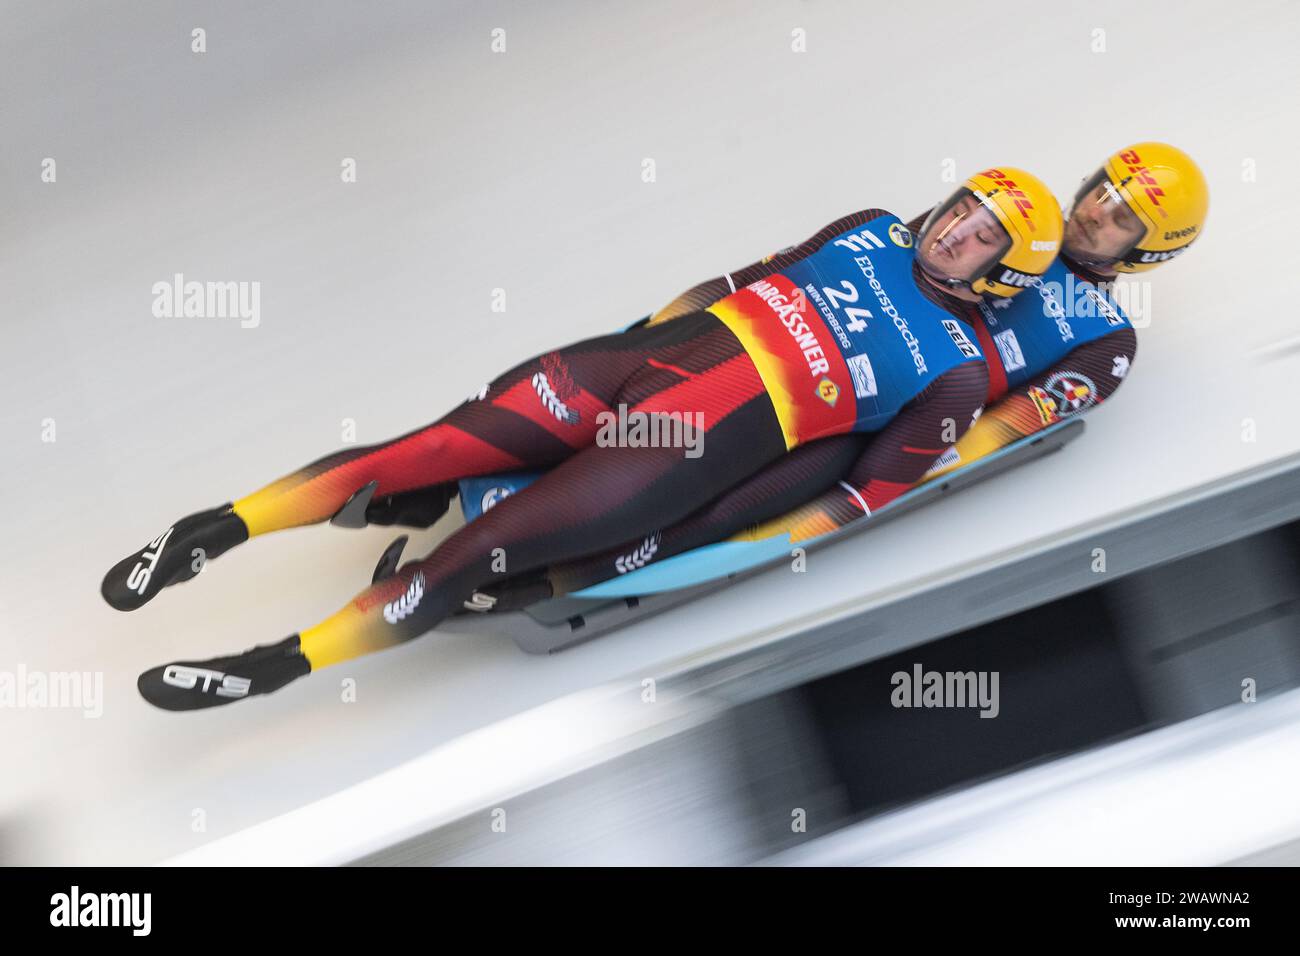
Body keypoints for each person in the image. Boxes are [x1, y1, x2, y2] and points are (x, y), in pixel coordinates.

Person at [105, 167, 1062, 710]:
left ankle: (279, 663)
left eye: (980, 239)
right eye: (960, 212)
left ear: (1000, 277)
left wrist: (731, 537)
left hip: (693, 445)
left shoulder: (961, 369)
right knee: (430, 446)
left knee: (480, 547)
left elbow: (869, 489)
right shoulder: (868, 229)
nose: (952, 235)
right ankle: (214, 528)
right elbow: (733, 282)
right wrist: (640, 337)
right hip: (638, 366)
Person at [491, 143, 1207, 601]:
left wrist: (909, 459)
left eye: (1119, 219)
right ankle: (507, 445)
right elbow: (888, 257)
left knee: (742, 491)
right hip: (815, 347)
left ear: (1148, 251)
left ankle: (559, 576)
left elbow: (1001, 431)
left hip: (886, 416)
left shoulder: (1107, 343)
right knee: (656, 377)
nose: (1091, 215)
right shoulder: (1019, 213)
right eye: (1100, 192)